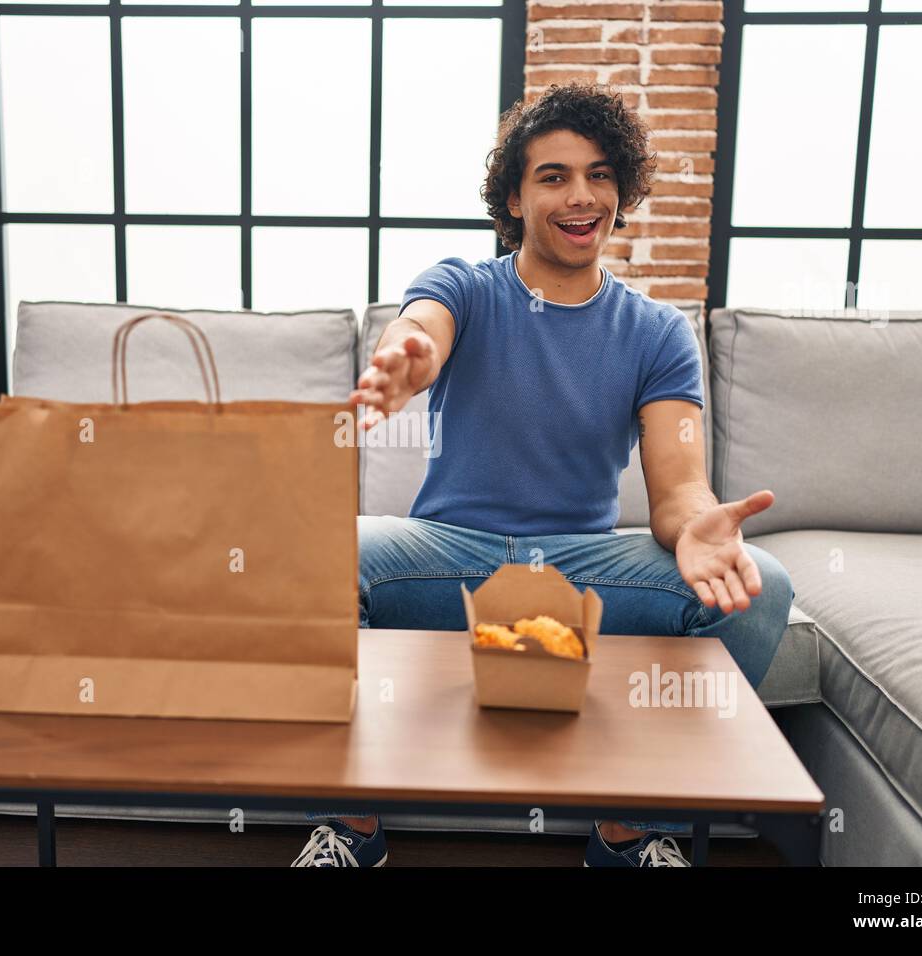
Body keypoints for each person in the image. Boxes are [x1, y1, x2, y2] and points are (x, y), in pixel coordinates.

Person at [290, 83, 794, 868]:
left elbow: (680, 486)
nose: (580, 195)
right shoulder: (466, 285)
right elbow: (424, 326)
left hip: (579, 572)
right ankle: (351, 824)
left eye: (598, 175)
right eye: (553, 176)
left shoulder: (658, 333)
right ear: (516, 198)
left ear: (621, 192)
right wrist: (408, 356)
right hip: (446, 555)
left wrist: (696, 525)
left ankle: (627, 833)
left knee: (763, 587)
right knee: (311, 554)